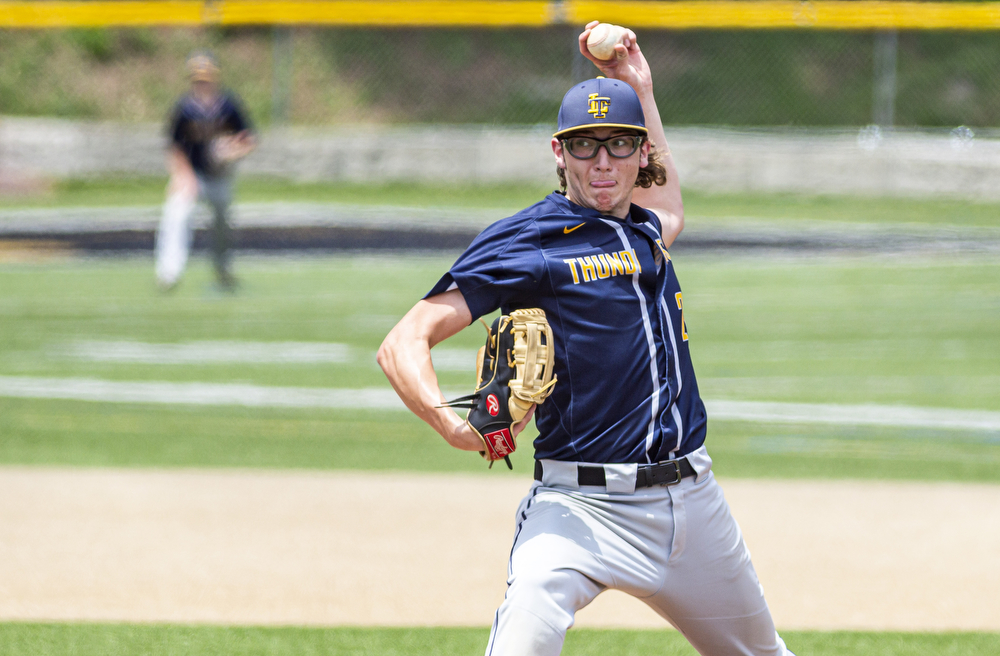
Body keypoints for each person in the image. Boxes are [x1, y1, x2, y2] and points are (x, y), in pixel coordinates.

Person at [377, 21, 795, 656]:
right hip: (579, 508)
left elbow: (671, 208)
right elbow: (405, 340)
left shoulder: (648, 230)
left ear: (639, 153)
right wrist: (451, 424)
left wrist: (642, 89)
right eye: (585, 147)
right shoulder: (531, 239)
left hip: (693, 505)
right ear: (558, 151)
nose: (603, 163)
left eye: (619, 146)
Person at [155, 52, 256, 291]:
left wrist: (232, 151)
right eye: (197, 79)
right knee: (176, 214)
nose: (202, 83)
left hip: (220, 176)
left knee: (222, 225)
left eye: (206, 78)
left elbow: (249, 139)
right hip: (194, 175)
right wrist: (183, 176)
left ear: (216, 78)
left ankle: (223, 271)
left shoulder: (228, 105)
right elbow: (174, 146)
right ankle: (169, 273)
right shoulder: (185, 109)